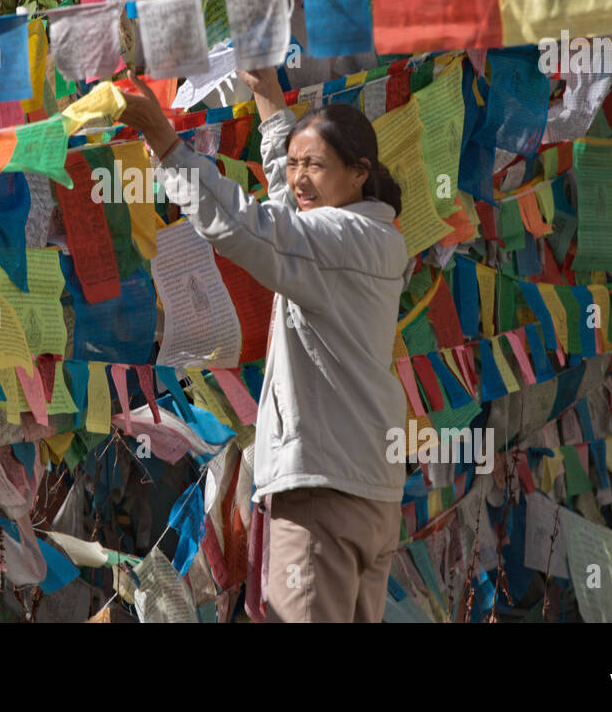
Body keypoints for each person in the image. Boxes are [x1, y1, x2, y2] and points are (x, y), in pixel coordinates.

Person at [117, 65, 409, 623]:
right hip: (363, 490)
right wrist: (272, 105)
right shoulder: (370, 235)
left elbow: (249, 226)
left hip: (324, 493)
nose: (300, 177)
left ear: (358, 173)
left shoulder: (337, 240)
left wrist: (165, 144)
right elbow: (288, 211)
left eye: (315, 166)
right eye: (295, 164)